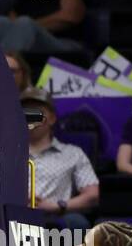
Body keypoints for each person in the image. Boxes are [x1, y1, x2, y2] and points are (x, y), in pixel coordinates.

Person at [21, 86, 99, 232]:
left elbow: (93, 195)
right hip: (14, 217)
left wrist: (58, 206)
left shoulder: (73, 153)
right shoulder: (4, 154)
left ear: (52, 118)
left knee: (77, 222)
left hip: (55, 220)